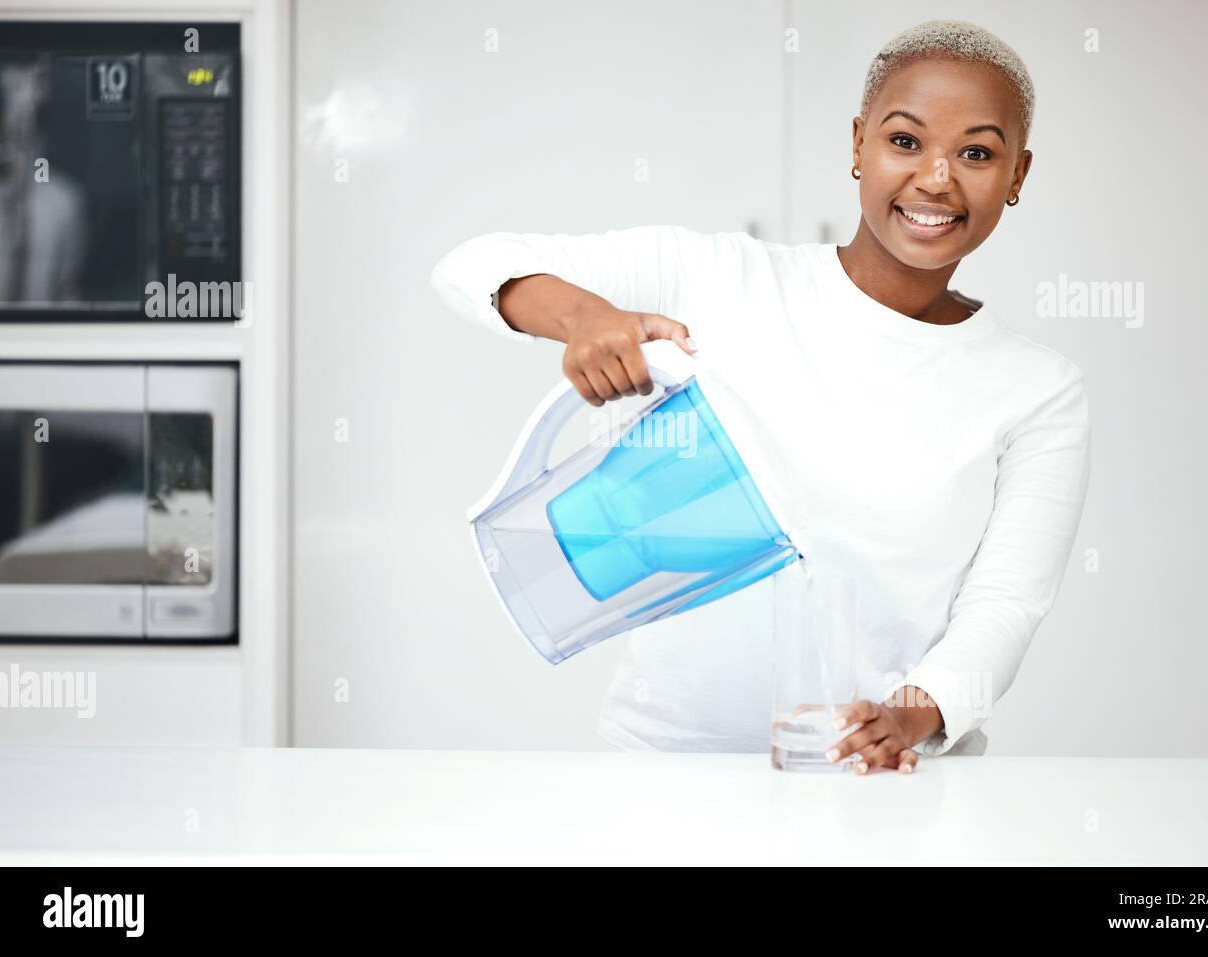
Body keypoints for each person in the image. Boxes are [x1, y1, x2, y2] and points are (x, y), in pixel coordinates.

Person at [431, 20, 1091, 775]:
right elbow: (471, 265)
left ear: (1018, 174)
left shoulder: (1038, 389)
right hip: (666, 772)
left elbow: (1006, 603)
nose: (937, 178)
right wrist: (585, 318)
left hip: (879, 779)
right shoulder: (718, 277)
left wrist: (909, 716)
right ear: (857, 145)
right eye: (904, 141)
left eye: (977, 152)